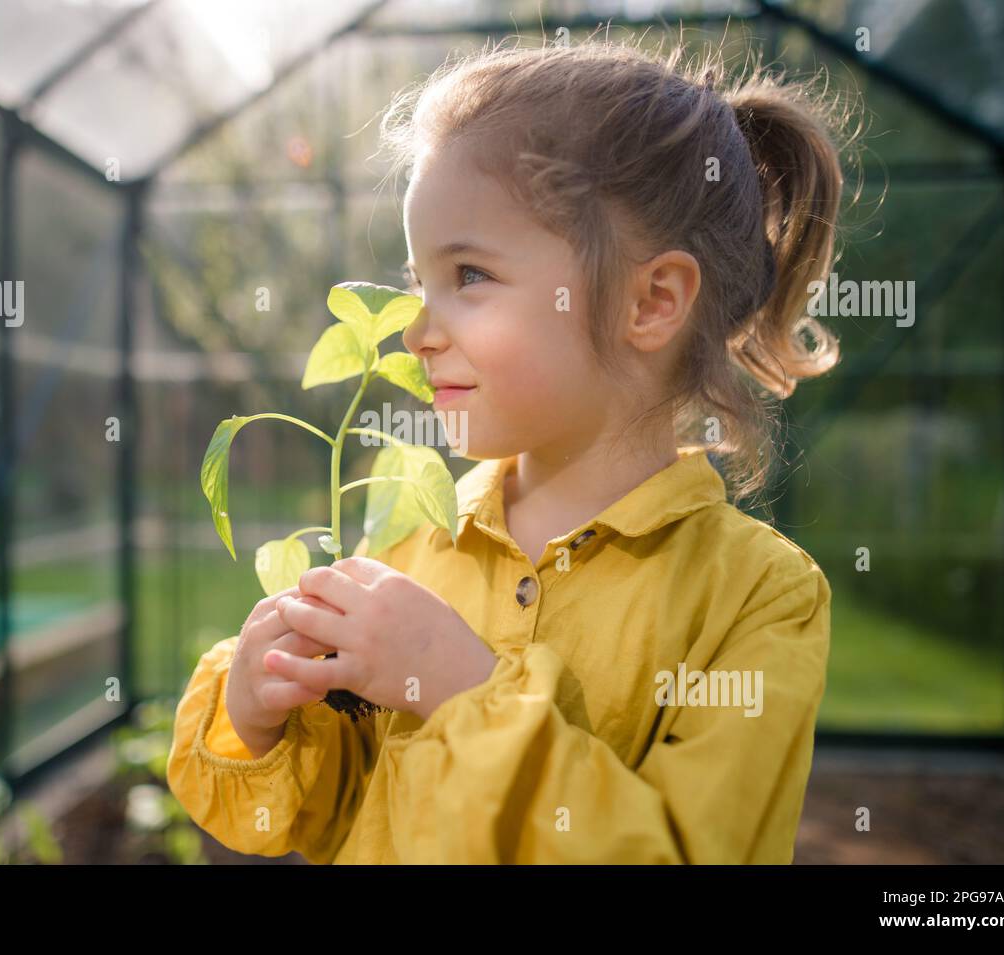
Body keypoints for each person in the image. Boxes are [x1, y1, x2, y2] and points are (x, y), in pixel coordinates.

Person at [167, 33, 853, 864]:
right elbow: (336, 815)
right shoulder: (413, 540)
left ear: (652, 301)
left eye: (470, 277)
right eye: (420, 283)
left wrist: (460, 685)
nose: (418, 331)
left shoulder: (756, 598)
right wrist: (263, 711)